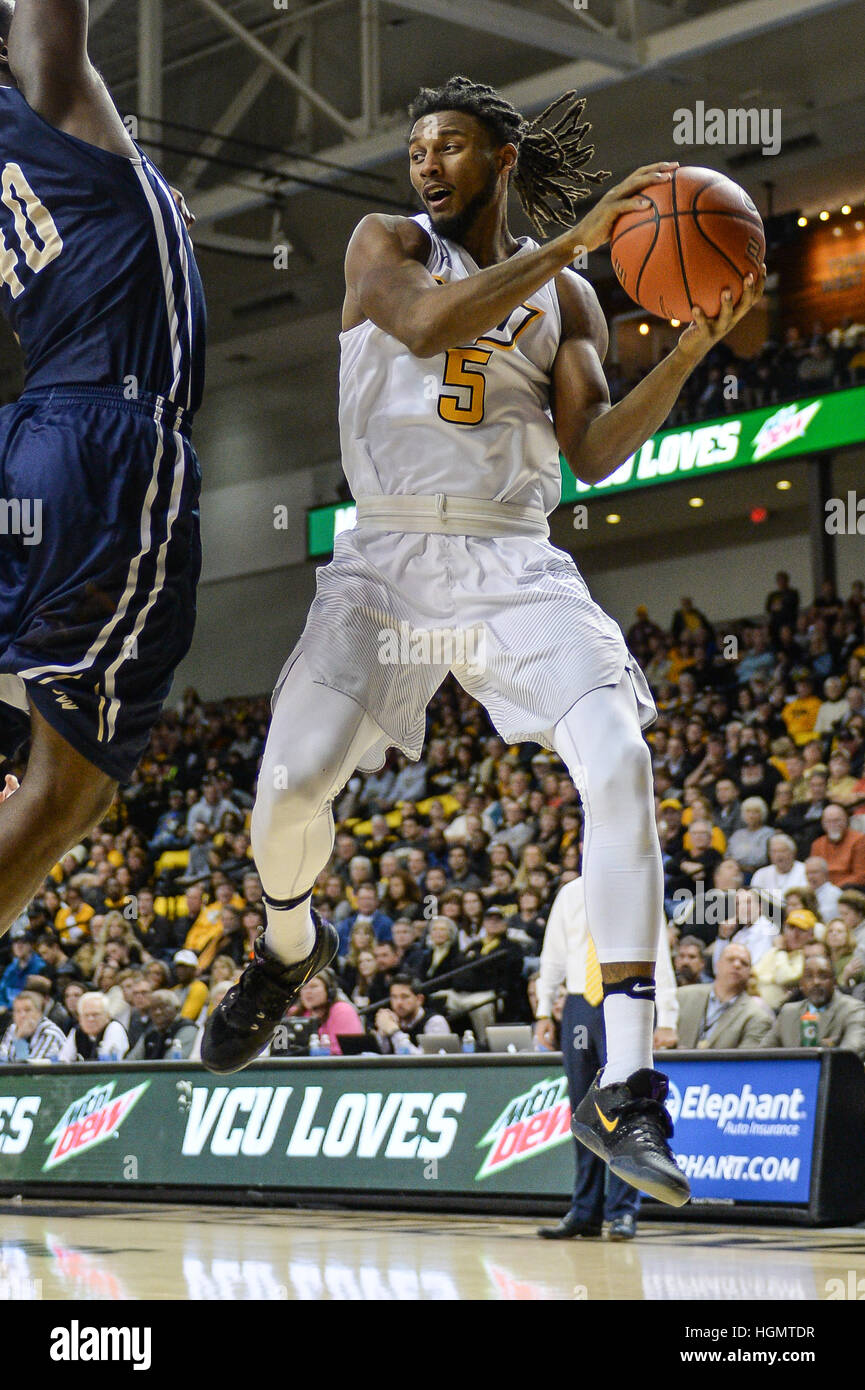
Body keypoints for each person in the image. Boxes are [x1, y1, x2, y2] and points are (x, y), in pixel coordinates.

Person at [203, 75, 764, 1209]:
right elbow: (421, 322)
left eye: (448, 146)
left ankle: (629, 1084)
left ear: (498, 157)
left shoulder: (571, 303)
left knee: (622, 759)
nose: (424, 164)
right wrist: (575, 239)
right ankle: (285, 945)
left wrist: (691, 349)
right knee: (286, 793)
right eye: (415, 146)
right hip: (384, 565)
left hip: (513, 558)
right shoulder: (383, 244)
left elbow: (594, 449)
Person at [0, 0, 205, 936]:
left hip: (33, 439)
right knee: (65, 795)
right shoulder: (44, 100)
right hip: (105, 445)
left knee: (33, 768)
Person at [535, 876, 677, 1241]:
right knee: (583, 1111)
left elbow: (658, 953)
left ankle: (622, 1213)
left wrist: (670, 1014)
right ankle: (584, 1211)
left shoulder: (638, 884)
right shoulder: (569, 892)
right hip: (580, 1003)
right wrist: (542, 1009)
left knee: (624, 1106)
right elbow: (553, 953)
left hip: (629, 998)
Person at [762, 955, 865, 1060]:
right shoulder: (788, 1012)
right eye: (809, 976)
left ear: (834, 982)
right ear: (801, 984)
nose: (816, 982)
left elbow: (850, 1056)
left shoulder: (854, 1010)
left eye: (823, 976)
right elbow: (762, 1055)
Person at [676, 944, 772, 1049]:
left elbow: (746, 1064)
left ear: (750, 972)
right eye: (730, 959)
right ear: (717, 965)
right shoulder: (682, 997)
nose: (737, 965)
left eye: (744, 963)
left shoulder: (757, 1017)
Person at [374, 975, 450, 1054]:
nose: (398, 1002)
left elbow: (423, 1062)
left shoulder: (435, 1022)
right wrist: (382, 1033)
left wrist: (394, 1032)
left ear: (419, 999)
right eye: (394, 997)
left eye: (404, 997)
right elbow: (381, 1056)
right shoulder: (392, 1021)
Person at [296, 968, 363, 1056]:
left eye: (314, 986)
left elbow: (345, 1052)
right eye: (303, 988)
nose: (308, 992)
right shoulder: (296, 1014)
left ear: (329, 990)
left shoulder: (342, 1010)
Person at [126, 990, 198, 1061]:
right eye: (153, 1008)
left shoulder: (187, 1029)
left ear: (176, 1009)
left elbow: (173, 1065)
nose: (158, 1012)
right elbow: (131, 1061)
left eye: (163, 1007)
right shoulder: (150, 1033)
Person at [0, 986, 66, 1061]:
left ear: (39, 1012)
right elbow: (2, 1059)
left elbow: (31, 1069)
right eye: (18, 1011)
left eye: (27, 1010)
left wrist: (19, 1039)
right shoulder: (13, 1028)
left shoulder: (49, 1033)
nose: (22, 1015)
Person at [59, 990, 128, 1061]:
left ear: (107, 1016)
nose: (90, 1019)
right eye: (86, 1015)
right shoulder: (77, 1032)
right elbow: (63, 1061)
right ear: (79, 1018)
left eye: (95, 1015)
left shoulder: (114, 1028)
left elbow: (107, 1064)